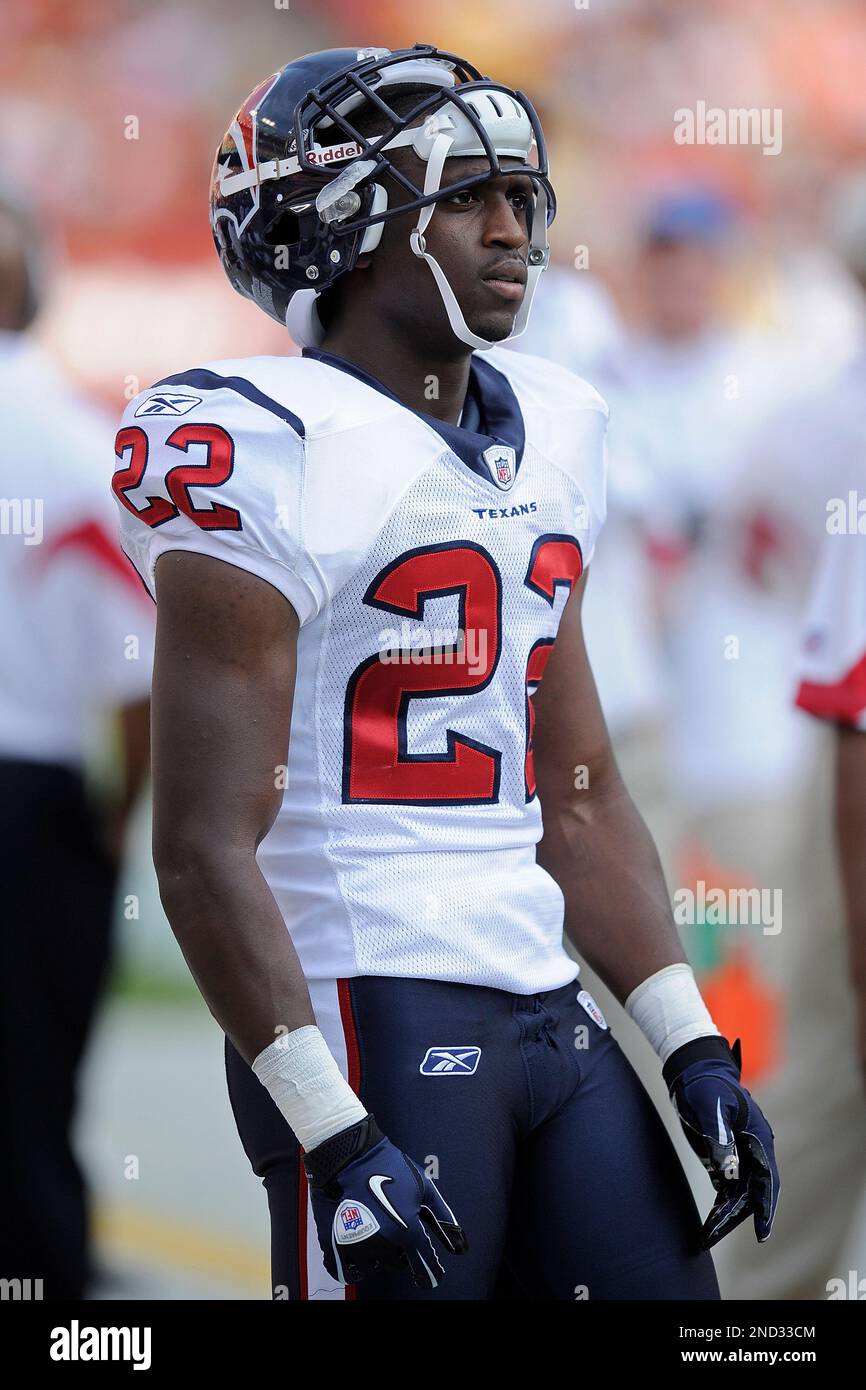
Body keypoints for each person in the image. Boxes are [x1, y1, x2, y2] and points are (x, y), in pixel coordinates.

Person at [111, 44, 777, 1301]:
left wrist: (688, 1042)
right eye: (464, 194)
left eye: (520, 195)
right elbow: (200, 844)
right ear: (346, 228)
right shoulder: (264, 443)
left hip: (539, 990)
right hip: (368, 1004)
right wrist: (329, 1122)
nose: (511, 226)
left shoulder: (557, 424)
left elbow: (574, 792)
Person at [0, 194, 154, 1299]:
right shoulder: (71, 437)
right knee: (30, 1075)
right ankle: (47, 1286)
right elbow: (137, 668)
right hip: (29, 789)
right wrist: (124, 809)